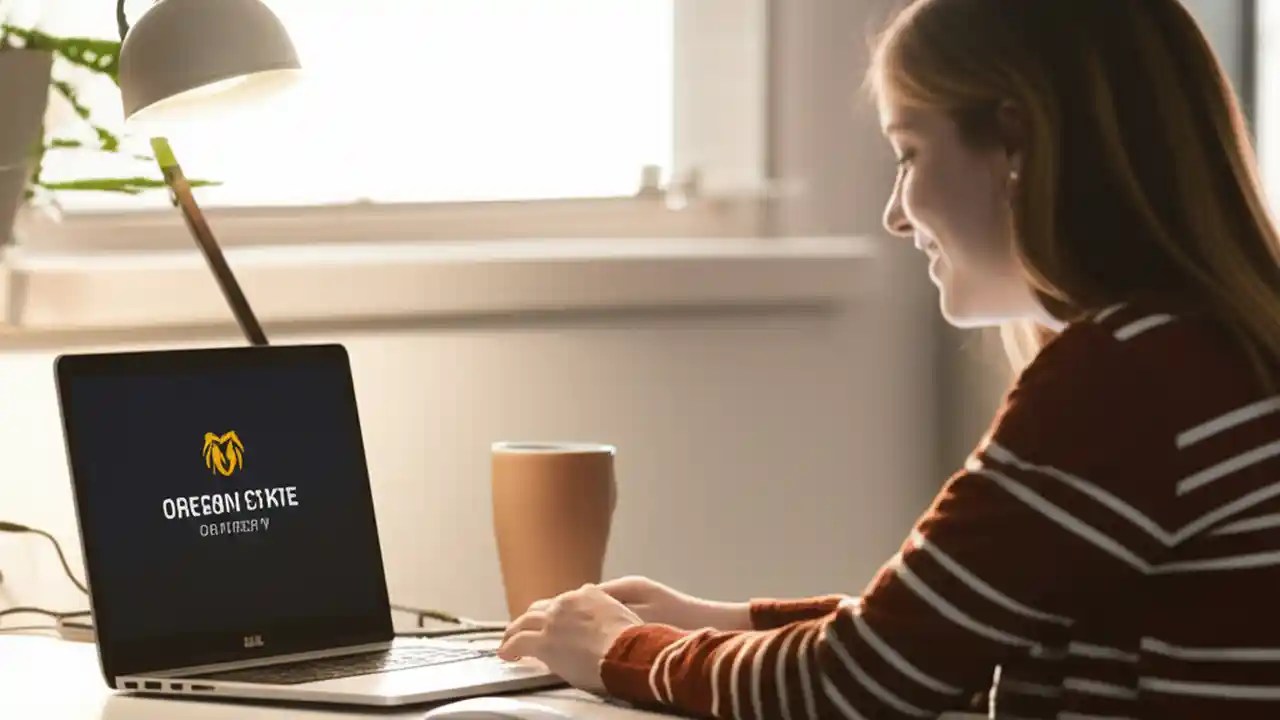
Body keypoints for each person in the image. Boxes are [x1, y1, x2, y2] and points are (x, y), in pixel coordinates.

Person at [497, 0, 1280, 717]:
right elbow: (957, 636)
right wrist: (726, 623)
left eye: (908, 153)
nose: (895, 214)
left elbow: (857, 681)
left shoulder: (1126, 380)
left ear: (1014, 142)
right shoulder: (1213, 353)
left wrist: (619, 653)